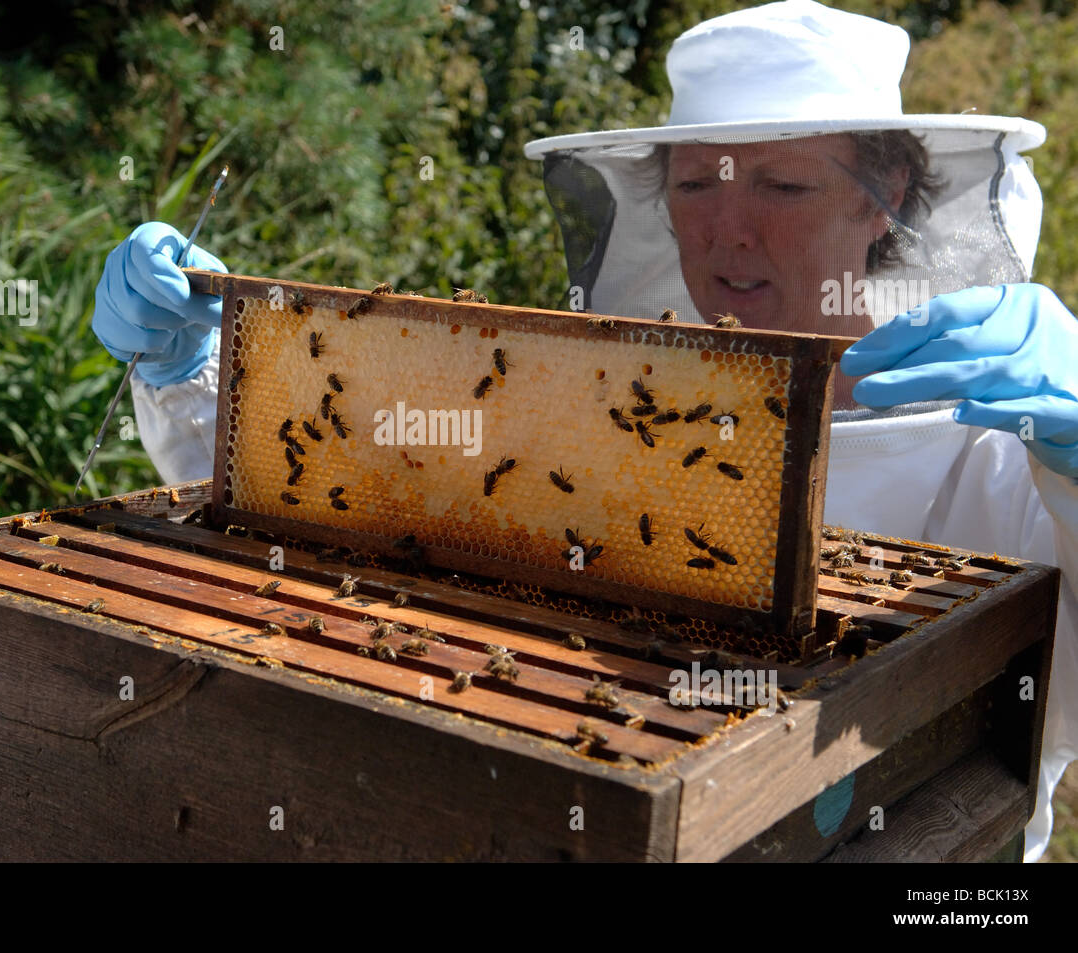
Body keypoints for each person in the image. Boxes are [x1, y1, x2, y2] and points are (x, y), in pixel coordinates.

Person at [92, 0, 1075, 860]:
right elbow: (361, 500)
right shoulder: (612, 394)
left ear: (884, 197)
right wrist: (199, 372)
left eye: (781, 186)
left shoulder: (999, 432)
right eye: (696, 186)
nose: (728, 231)